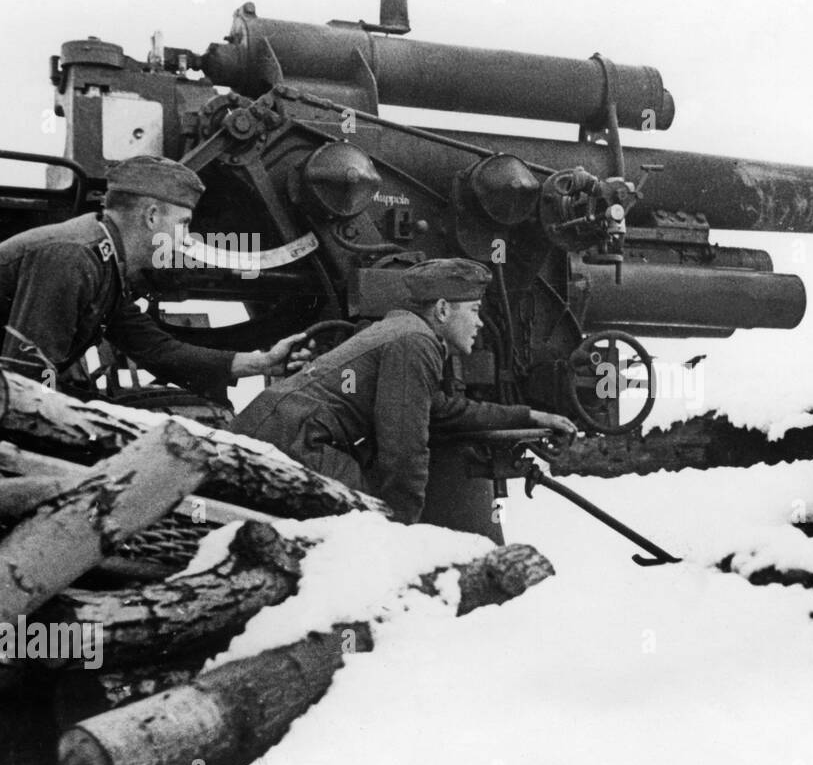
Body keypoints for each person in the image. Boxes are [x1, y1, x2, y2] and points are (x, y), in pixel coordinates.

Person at [230, 258, 578, 524]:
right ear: (442, 309)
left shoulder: (403, 330)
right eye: (473, 311)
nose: (480, 323)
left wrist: (529, 414)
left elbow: (443, 409)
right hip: (294, 441)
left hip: (278, 430)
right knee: (364, 519)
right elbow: (404, 445)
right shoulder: (416, 342)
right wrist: (403, 523)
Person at [0, 154, 308, 394]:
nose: (187, 238)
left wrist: (263, 363)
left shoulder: (108, 265)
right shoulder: (75, 257)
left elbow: (156, 350)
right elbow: (26, 378)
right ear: (151, 216)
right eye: (184, 224)